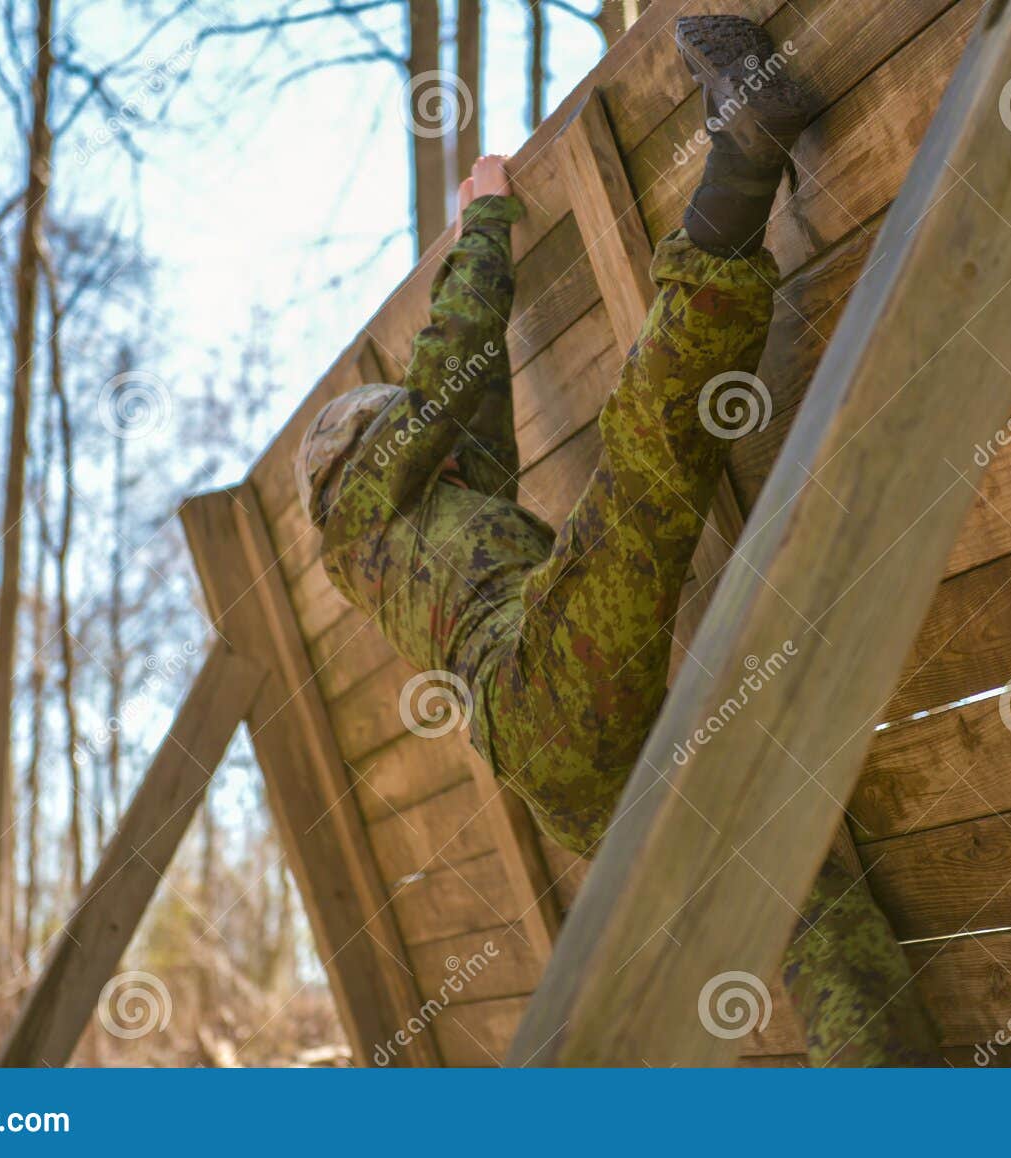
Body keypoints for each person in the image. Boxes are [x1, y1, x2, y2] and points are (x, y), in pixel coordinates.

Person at [297, 14, 938, 1066]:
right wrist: (485, 222)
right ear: (359, 450)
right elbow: (451, 360)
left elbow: (471, 406)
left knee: (793, 888)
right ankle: (740, 156)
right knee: (647, 446)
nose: (441, 446)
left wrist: (481, 301)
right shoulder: (360, 508)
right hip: (538, 685)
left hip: (556, 762)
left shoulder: (414, 535)